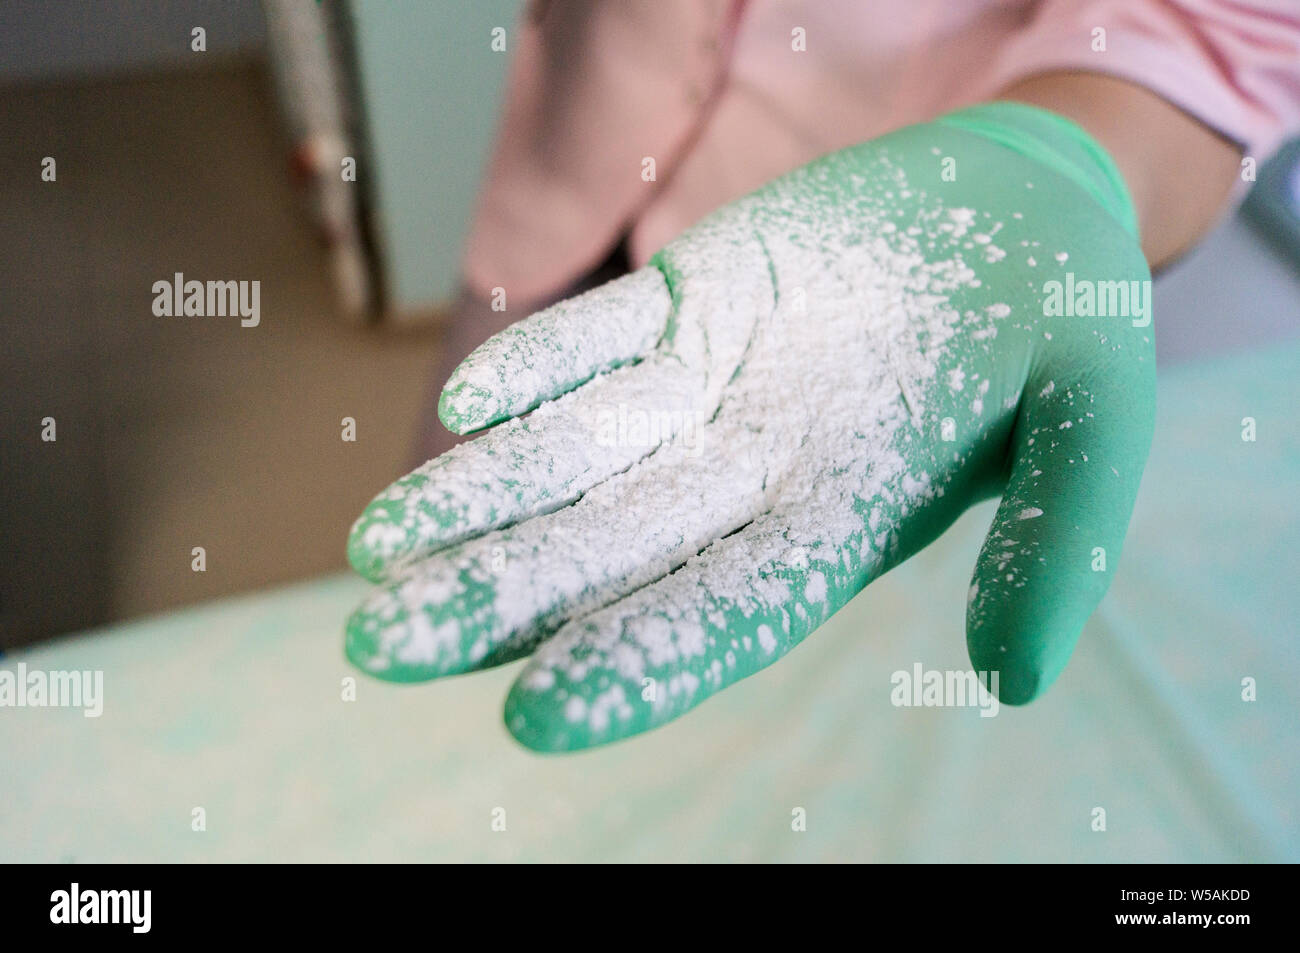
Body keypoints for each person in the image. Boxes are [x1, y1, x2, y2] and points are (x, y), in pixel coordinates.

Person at [347, 0, 1300, 751]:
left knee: (752, 671)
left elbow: (1218, 25)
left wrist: (1072, 155)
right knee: (456, 559)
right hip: (571, 158)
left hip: (866, 309)